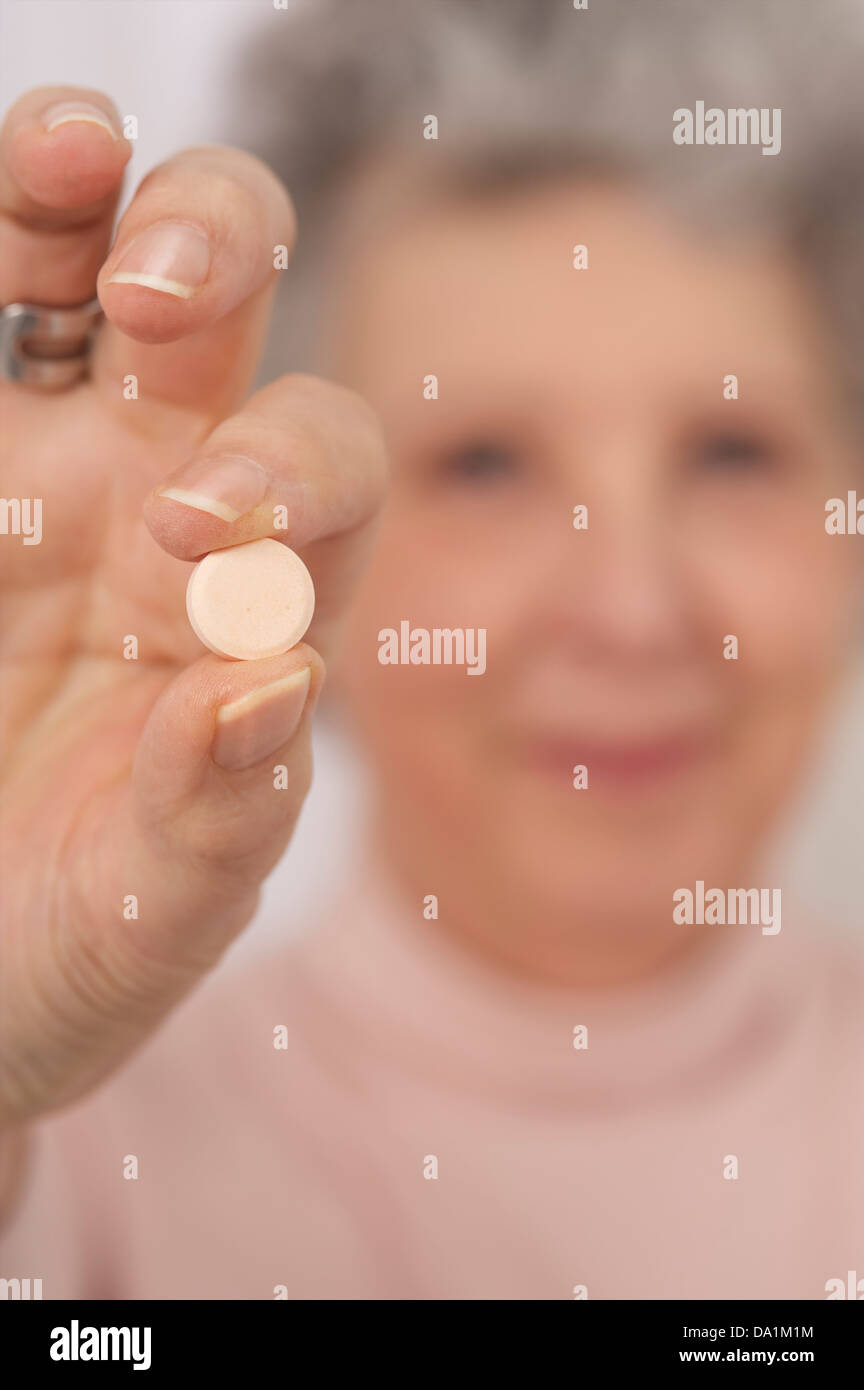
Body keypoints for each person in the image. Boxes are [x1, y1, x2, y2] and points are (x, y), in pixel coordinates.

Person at [1, 0, 863, 1299]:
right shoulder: (68, 1152)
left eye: (734, 452)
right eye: (486, 462)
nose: (632, 608)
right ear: (282, 542)